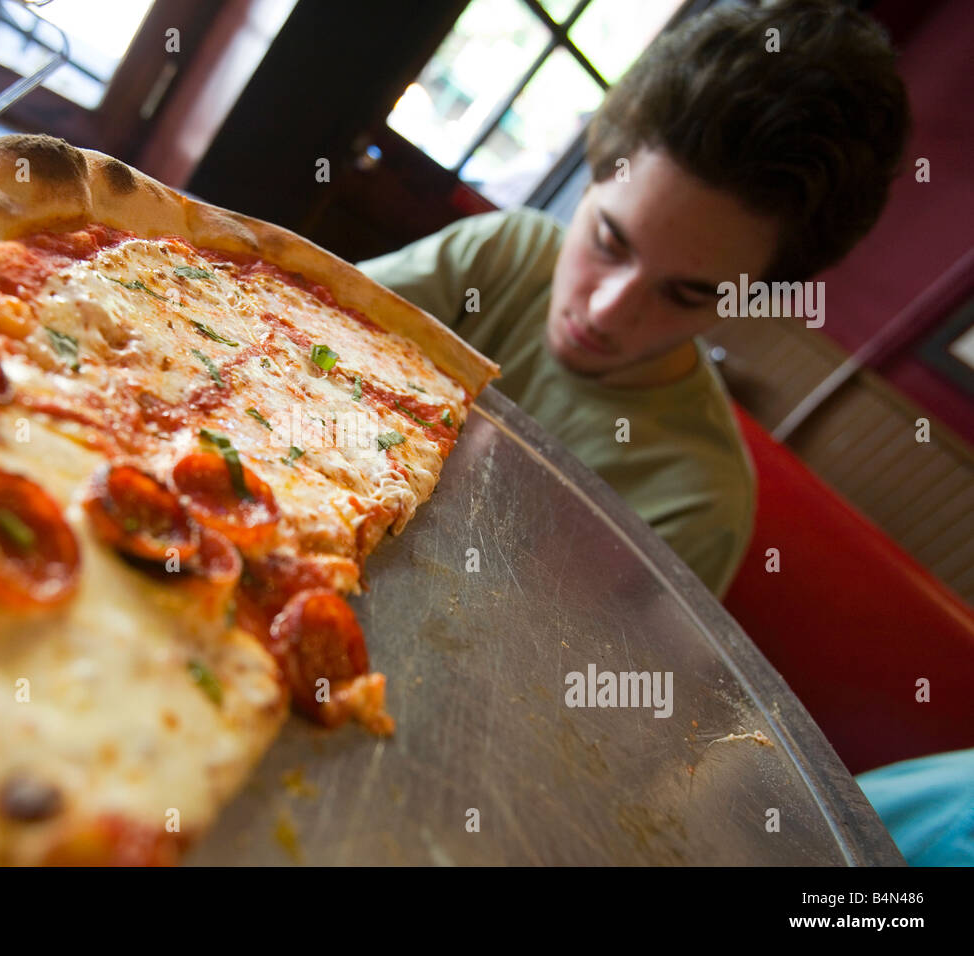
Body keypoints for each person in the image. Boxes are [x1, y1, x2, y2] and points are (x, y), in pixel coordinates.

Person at [357, 0, 910, 597]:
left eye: (686, 294)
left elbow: (555, 680)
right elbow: (287, 344)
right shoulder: (505, 254)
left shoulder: (694, 501)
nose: (604, 312)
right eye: (608, 240)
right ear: (594, 172)